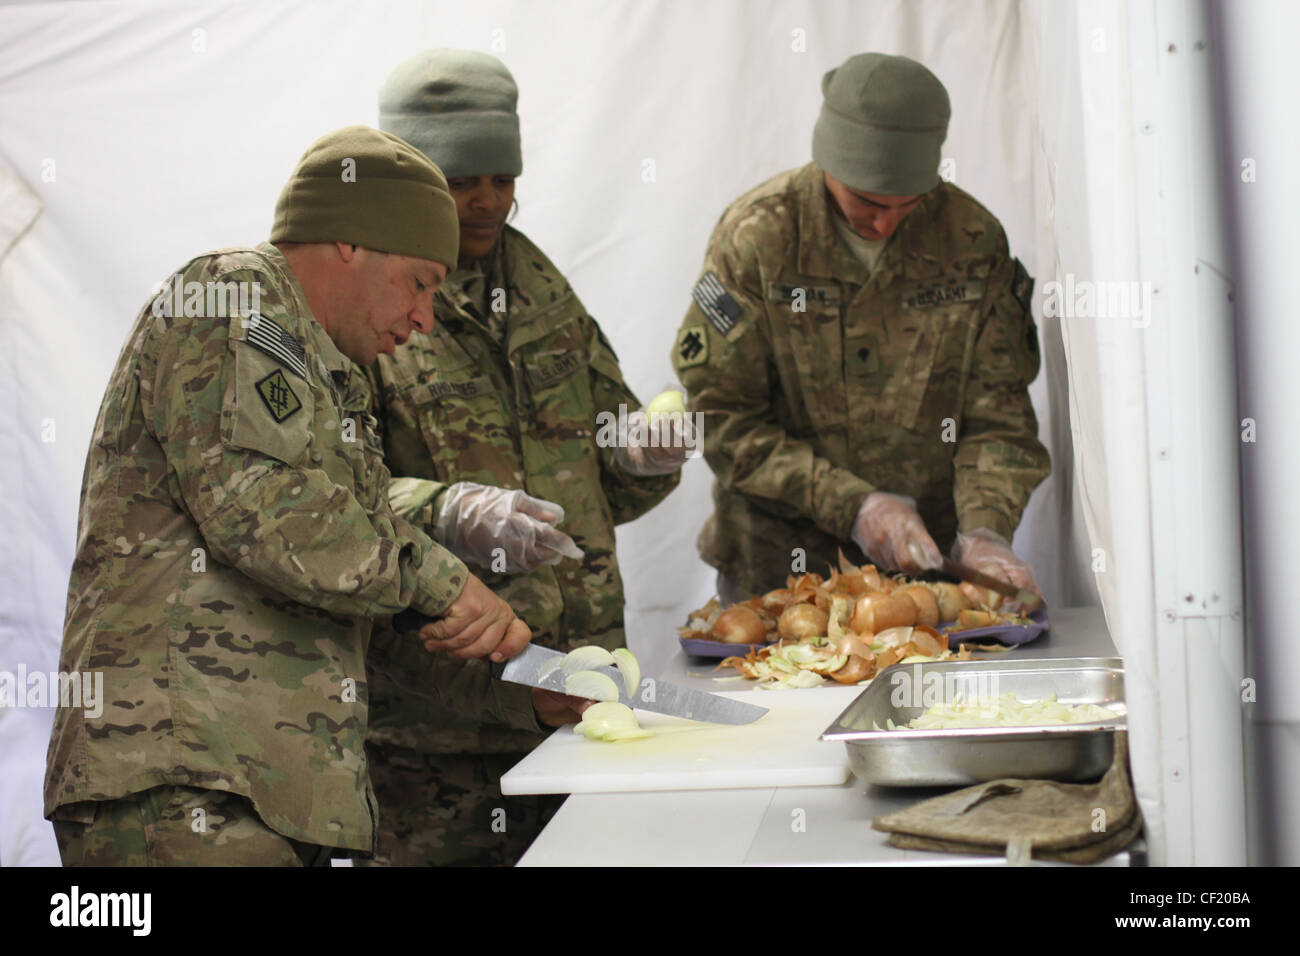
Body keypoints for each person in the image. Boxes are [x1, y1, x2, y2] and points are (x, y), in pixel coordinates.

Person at [44, 125, 583, 867]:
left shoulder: (333, 385)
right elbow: (267, 515)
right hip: (182, 781)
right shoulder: (228, 299)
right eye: (422, 282)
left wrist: (526, 691)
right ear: (351, 244)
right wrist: (448, 581)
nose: (425, 318)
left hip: (264, 794)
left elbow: (363, 604)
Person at [364, 49, 689, 866]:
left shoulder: (537, 282)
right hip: (442, 734)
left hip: (580, 697)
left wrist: (643, 456)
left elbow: (604, 475)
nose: (485, 201)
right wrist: (453, 510)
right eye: (460, 179)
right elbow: (326, 498)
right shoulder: (366, 293)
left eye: (501, 179)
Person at [672, 53, 1050, 605]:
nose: (886, 223)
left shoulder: (970, 239)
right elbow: (723, 420)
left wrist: (987, 531)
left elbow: (998, 418)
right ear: (829, 164)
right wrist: (854, 505)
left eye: (909, 204)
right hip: (780, 576)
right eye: (868, 202)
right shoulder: (759, 238)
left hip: (927, 575)